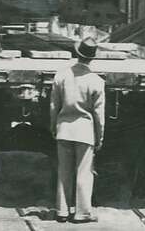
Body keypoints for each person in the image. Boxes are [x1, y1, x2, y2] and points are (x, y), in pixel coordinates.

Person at [51, 37, 105, 224]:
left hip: (63, 129)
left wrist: (53, 127)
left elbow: (54, 107)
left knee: (63, 171)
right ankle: (82, 213)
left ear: (77, 54)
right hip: (85, 132)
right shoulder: (97, 81)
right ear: (92, 58)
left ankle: (61, 211)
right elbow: (99, 115)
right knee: (84, 172)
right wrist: (99, 137)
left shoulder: (61, 76)